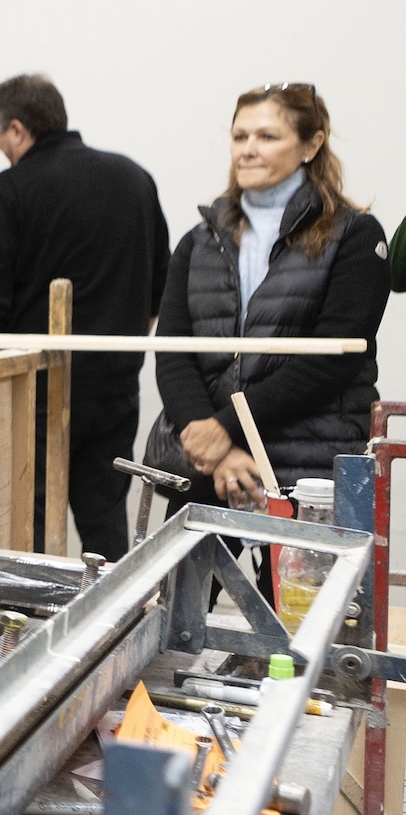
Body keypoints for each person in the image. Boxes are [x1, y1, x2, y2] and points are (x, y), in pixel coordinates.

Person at [0, 73, 169, 559]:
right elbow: (158, 290)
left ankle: (32, 609)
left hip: (32, 395)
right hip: (113, 390)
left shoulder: (10, 191)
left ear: (18, 130)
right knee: (104, 523)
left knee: (28, 526)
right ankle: (109, 607)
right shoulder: (134, 179)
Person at [153, 83, 389, 505]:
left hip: (310, 468)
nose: (248, 149)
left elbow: (331, 362)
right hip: (211, 464)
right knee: (188, 556)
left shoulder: (355, 236)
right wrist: (213, 442)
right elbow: (173, 354)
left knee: (295, 561)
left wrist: (225, 427)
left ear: (311, 145)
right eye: (240, 136)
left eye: (267, 136)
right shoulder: (199, 241)